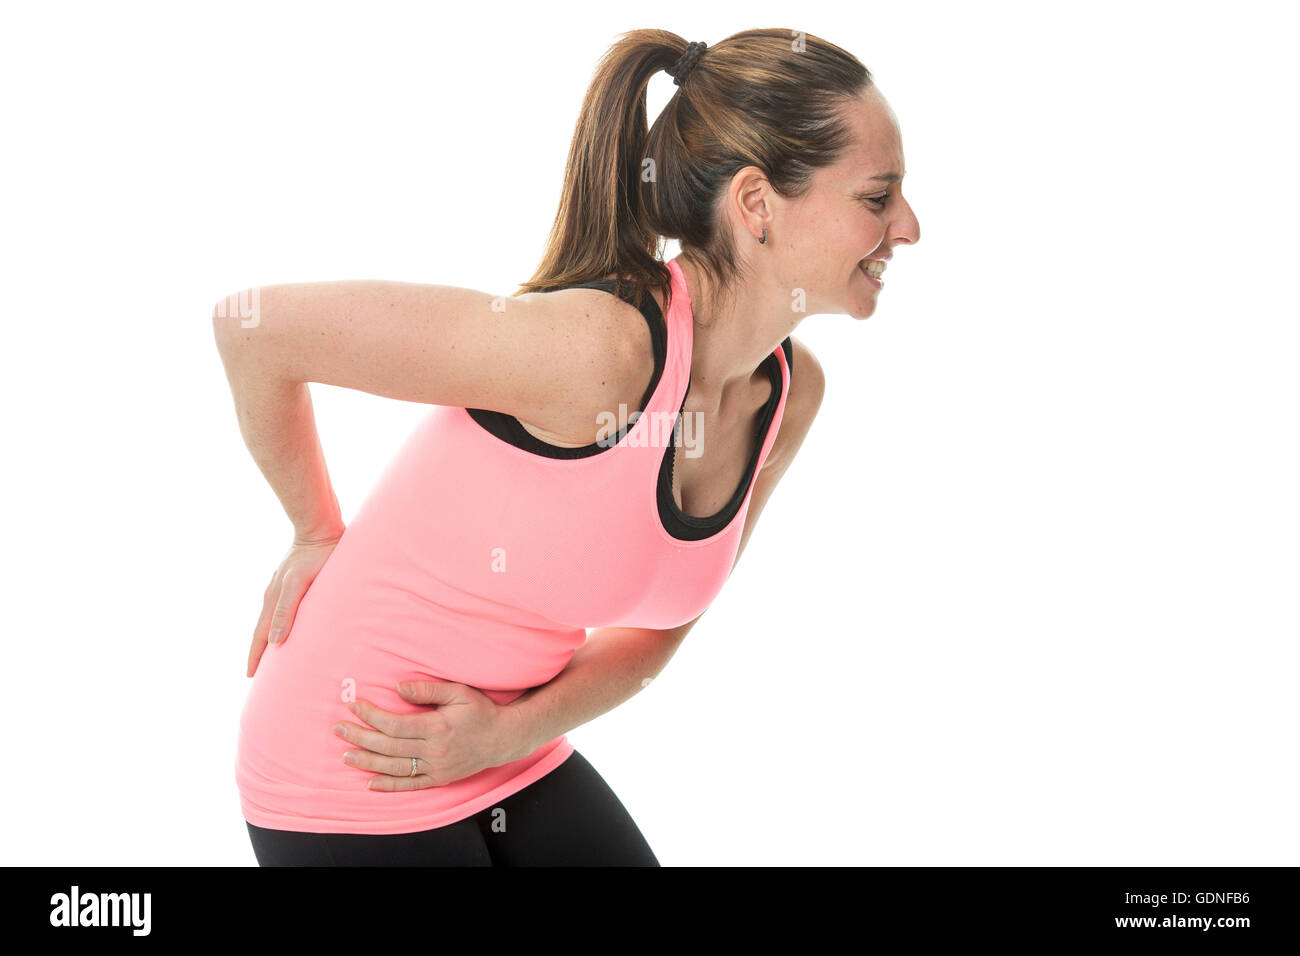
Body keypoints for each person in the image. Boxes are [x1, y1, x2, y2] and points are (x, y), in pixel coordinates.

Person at [213, 27, 920, 867]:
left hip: (505, 751)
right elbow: (254, 331)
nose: (908, 227)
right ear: (757, 203)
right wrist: (314, 532)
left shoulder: (788, 398)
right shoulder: (599, 352)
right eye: (877, 198)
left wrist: (509, 731)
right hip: (345, 758)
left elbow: (663, 633)